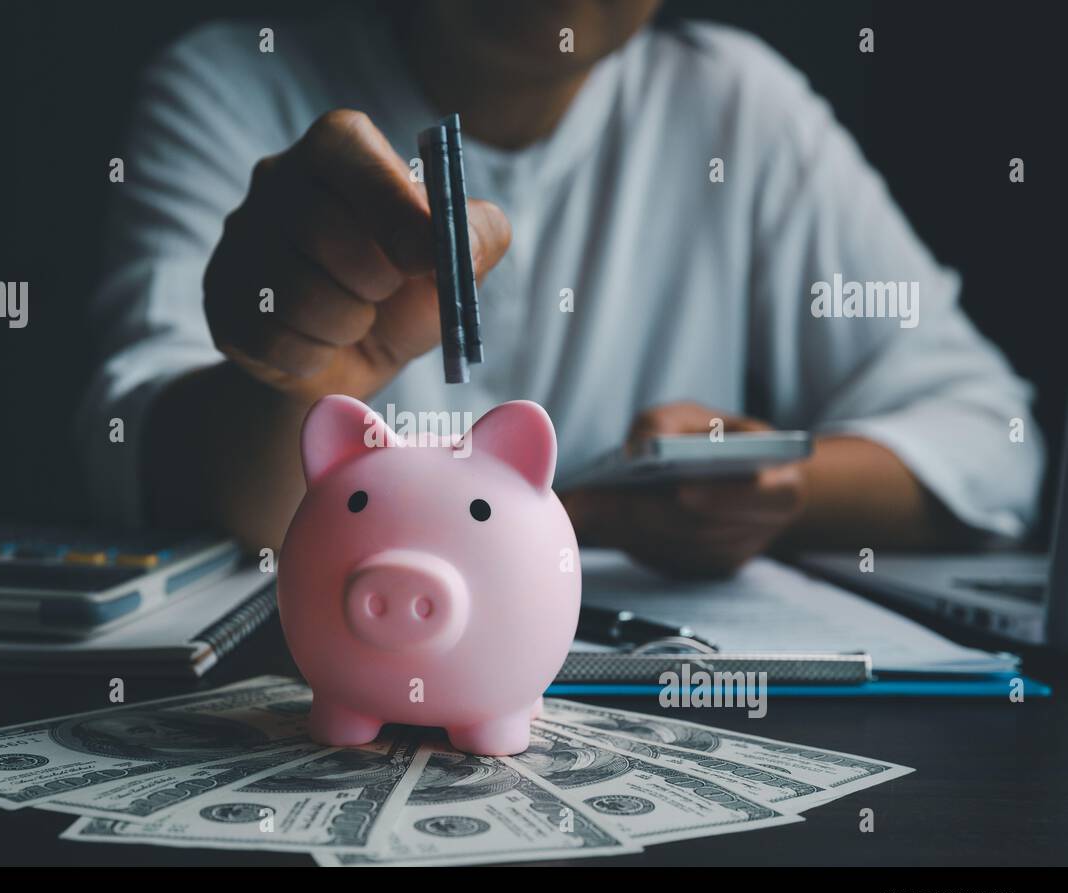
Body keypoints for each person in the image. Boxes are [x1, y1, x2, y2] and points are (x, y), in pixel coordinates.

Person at [78, 0, 1043, 578]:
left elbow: (994, 441)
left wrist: (782, 493)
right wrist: (284, 382)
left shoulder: (740, 110)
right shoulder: (228, 86)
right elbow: (145, 466)